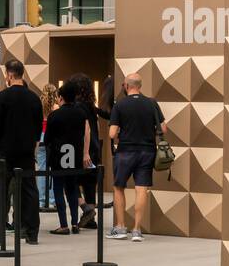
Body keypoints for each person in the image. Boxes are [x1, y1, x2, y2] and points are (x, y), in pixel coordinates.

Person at [0, 59, 43, 246]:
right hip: (26, 152)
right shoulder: (34, 98)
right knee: (30, 191)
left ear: (9, 74)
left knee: (0, 193)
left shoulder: (3, 97)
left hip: (4, 152)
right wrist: (33, 151)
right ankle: (31, 233)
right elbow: (37, 128)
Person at [108, 72, 165, 242]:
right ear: (140, 86)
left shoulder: (120, 105)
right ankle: (137, 230)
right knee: (141, 189)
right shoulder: (151, 103)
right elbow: (164, 128)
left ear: (126, 85)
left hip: (125, 151)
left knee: (119, 187)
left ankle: (120, 227)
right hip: (147, 151)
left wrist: (122, 129)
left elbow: (112, 134)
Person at [44, 82, 92, 235]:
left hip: (58, 157)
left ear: (61, 97)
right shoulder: (80, 114)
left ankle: (63, 224)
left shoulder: (54, 115)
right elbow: (86, 133)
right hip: (75, 156)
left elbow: (47, 139)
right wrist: (85, 152)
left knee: (58, 189)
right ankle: (75, 223)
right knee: (72, 188)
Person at [69, 73, 102, 229]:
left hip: (82, 149)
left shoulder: (77, 106)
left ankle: (85, 207)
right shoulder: (91, 106)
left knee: (70, 181)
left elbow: (85, 129)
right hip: (95, 147)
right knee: (90, 183)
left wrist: (84, 152)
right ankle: (91, 218)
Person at [38, 84, 59, 210]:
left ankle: (41, 200)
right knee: (52, 169)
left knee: (41, 170)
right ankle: (52, 200)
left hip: (40, 137)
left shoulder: (39, 106)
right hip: (52, 137)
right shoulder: (56, 107)